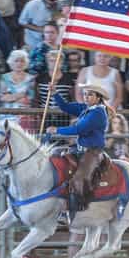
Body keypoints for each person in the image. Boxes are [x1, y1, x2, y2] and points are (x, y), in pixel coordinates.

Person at [44, 84, 110, 212]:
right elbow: (65, 107)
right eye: (85, 94)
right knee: (55, 155)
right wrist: (55, 93)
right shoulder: (87, 108)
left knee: (80, 178)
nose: (86, 97)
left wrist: (57, 129)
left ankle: (77, 209)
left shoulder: (98, 113)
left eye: (90, 94)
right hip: (80, 148)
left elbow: (79, 129)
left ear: (98, 98)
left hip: (93, 151)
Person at [0, 49, 35, 128]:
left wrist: (11, 97)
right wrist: (21, 95)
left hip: (23, 117)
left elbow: (29, 99)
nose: (19, 63)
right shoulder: (4, 77)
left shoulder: (31, 78)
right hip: (6, 115)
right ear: (11, 62)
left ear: (26, 63)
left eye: (22, 61)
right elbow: (3, 98)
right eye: (16, 61)